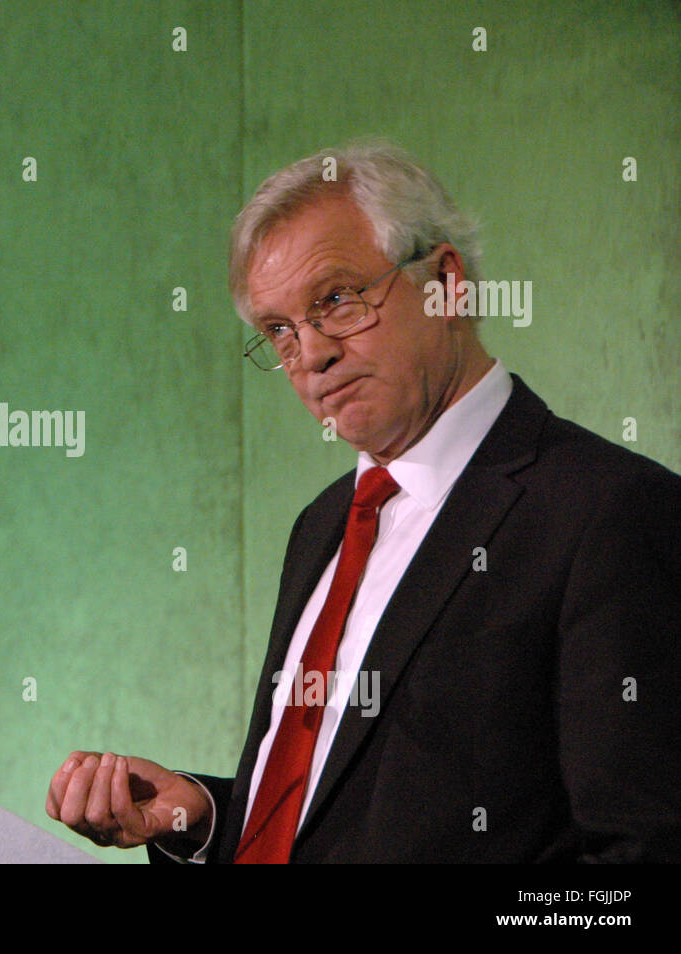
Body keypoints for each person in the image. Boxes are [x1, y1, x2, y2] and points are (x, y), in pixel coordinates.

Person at [45, 141, 681, 863]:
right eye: (279, 331)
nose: (310, 354)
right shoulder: (323, 525)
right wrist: (207, 818)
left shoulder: (607, 511)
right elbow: (356, 817)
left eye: (337, 301)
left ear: (445, 281)